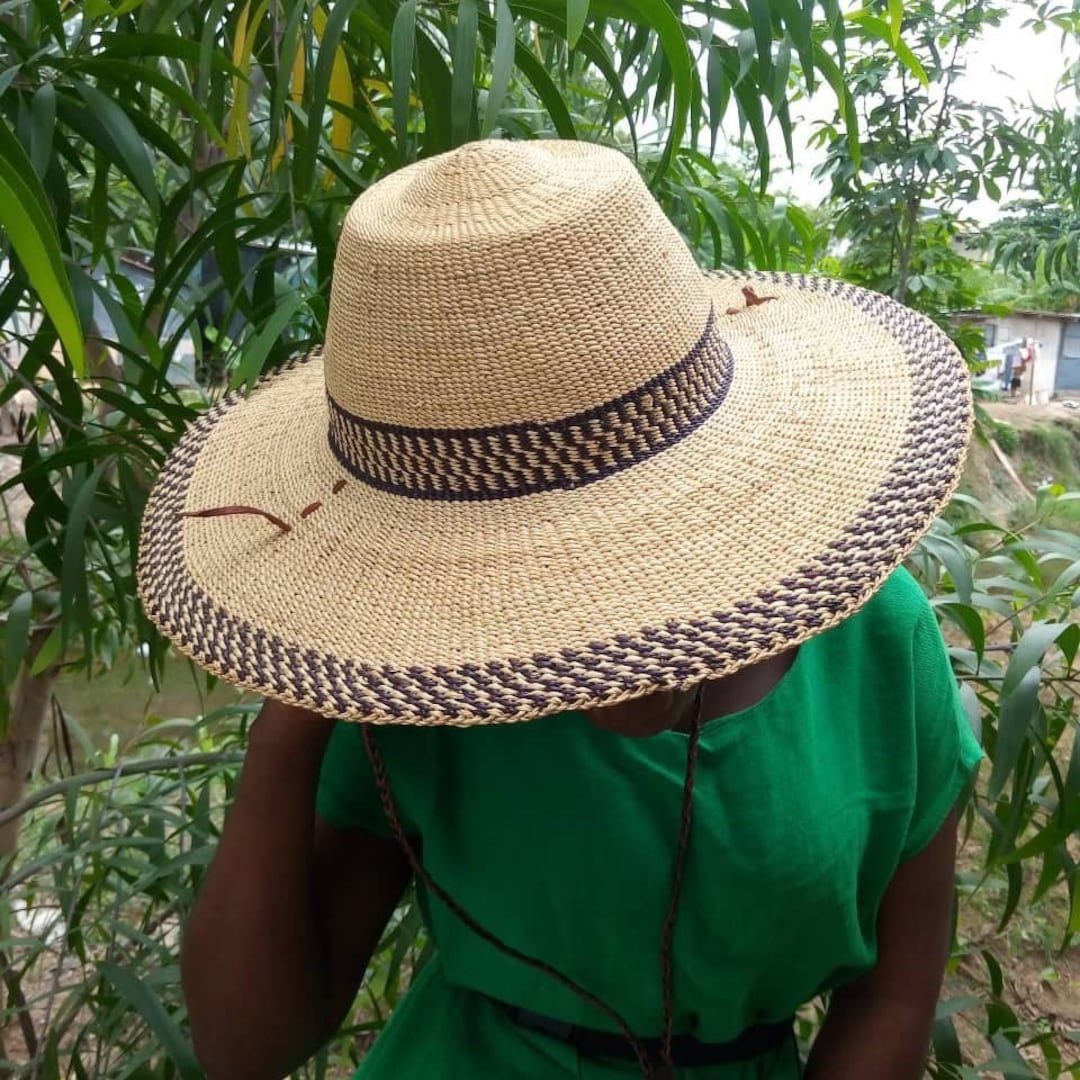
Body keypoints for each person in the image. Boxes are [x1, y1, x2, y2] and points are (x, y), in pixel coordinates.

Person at [136, 140, 983, 1080]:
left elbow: (896, 998)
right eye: (538, 597)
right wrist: (292, 713)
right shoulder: (425, 673)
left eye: (631, 558)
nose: (608, 657)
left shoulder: (877, 644)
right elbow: (247, 1046)